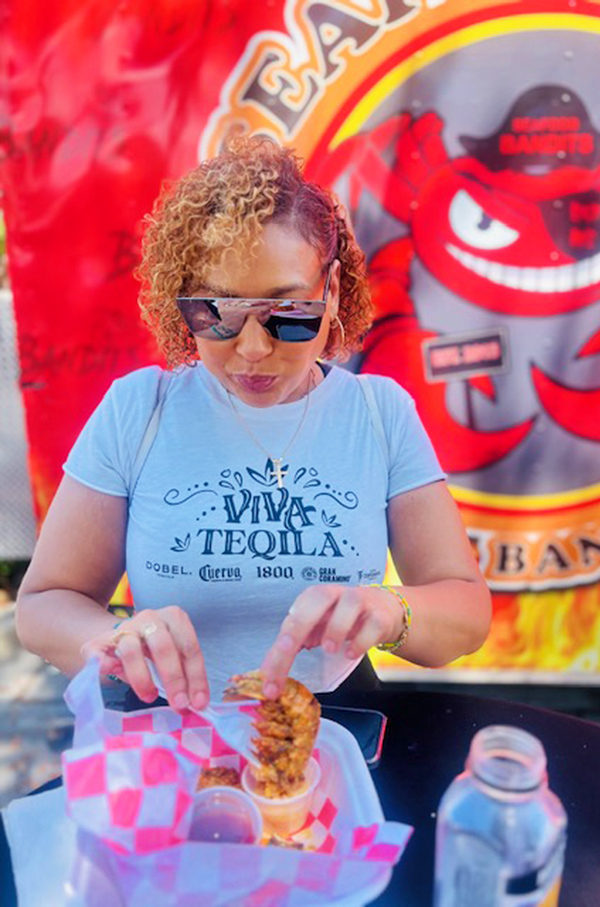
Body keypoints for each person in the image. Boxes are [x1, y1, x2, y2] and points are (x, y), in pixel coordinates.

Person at [15, 136, 491, 710]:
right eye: (215, 314)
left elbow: (464, 609)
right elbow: (45, 603)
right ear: (182, 302)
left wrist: (391, 609)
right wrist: (110, 640)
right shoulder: (139, 410)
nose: (253, 349)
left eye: (288, 314)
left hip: (332, 717)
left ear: (333, 292)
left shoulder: (378, 414)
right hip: (168, 722)